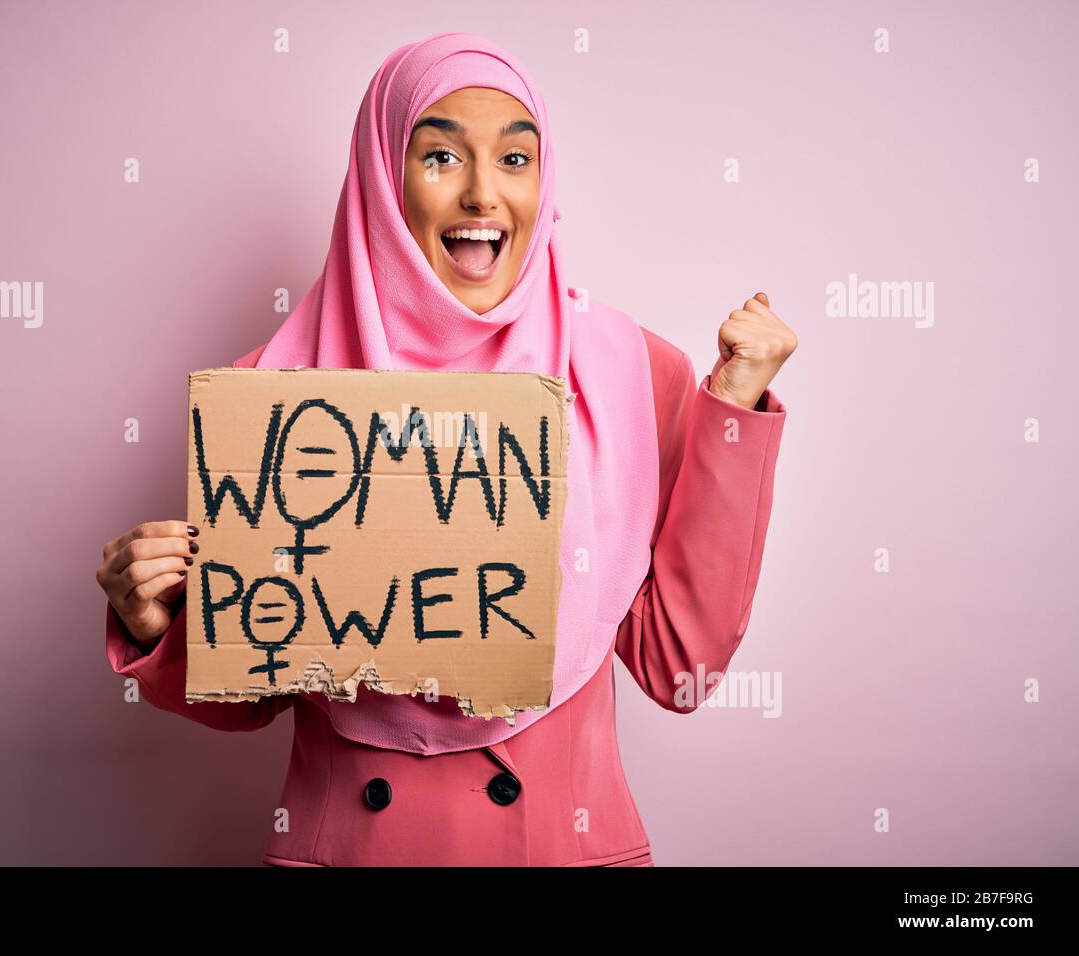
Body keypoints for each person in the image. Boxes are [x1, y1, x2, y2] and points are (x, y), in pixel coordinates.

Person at [95, 32, 796, 866]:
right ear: (383, 182)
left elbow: (680, 664)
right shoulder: (275, 387)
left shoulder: (633, 373)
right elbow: (256, 688)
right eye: (439, 158)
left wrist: (734, 407)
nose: (482, 194)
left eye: (514, 158)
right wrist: (161, 624)